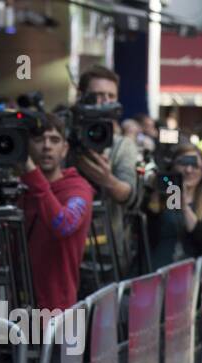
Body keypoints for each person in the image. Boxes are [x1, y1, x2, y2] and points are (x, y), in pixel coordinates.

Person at [19, 114, 94, 311]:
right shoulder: (18, 188)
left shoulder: (78, 189)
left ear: (64, 149)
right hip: (14, 307)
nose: (46, 146)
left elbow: (64, 224)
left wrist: (32, 174)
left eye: (54, 140)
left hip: (57, 311)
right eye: (38, 140)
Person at [72, 65, 140, 275]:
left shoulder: (123, 146)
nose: (105, 101)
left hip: (106, 256)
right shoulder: (65, 139)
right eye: (98, 95)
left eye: (111, 96)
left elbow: (129, 194)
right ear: (81, 97)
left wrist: (106, 179)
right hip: (64, 250)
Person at [144, 144, 202, 270]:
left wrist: (183, 206)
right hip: (155, 272)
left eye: (195, 165)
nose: (189, 170)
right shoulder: (159, 197)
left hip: (189, 276)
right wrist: (157, 193)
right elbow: (146, 237)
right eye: (183, 164)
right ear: (173, 166)